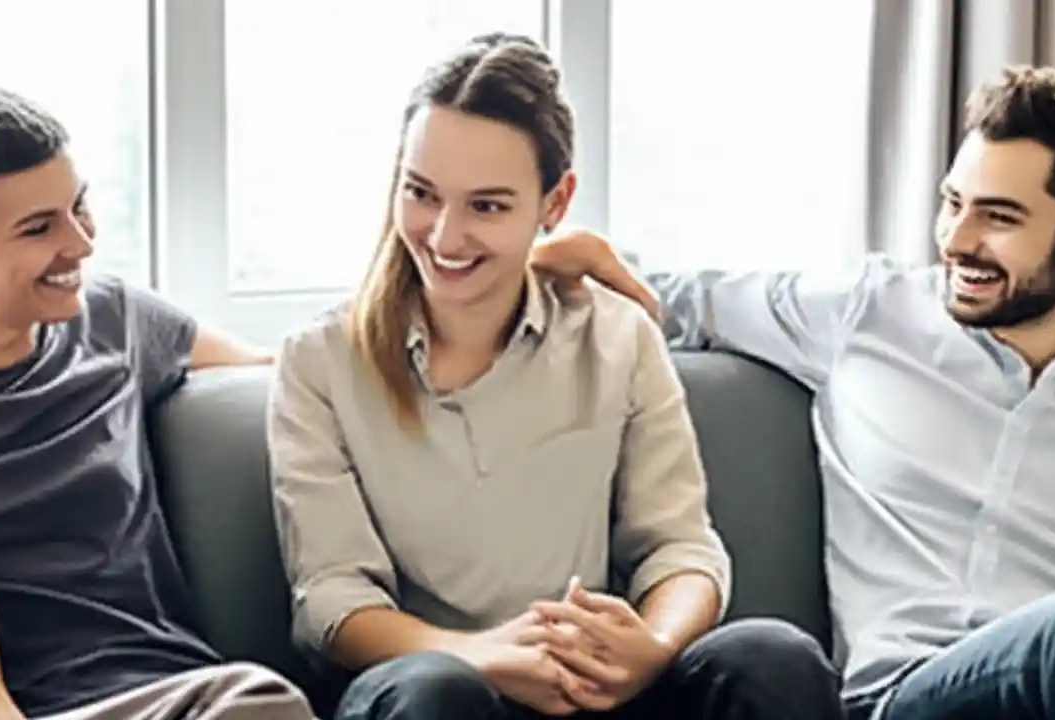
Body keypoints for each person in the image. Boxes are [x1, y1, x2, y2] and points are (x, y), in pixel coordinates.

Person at [268, 33, 843, 720]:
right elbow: (333, 599)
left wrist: (651, 646)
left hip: (596, 686)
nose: (444, 237)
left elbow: (679, 545)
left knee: (773, 658)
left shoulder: (616, 335)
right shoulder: (319, 363)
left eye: (487, 206)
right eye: (421, 193)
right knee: (436, 695)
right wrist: (480, 654)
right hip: (433, 686)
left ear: (554, 202)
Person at [533, 65, 1055, 720]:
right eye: (953, 203)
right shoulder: (867, 315)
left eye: (999, 218)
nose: (957, 240)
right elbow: (670, 302)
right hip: (900, 698)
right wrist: (565, 255)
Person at [0, 85, 315, 719]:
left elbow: (295, 377)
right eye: (38, 227)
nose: (79, 243)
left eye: (79, 206)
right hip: (3, 708)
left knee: (254, 700)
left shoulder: (114, 320)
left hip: (172, 689)